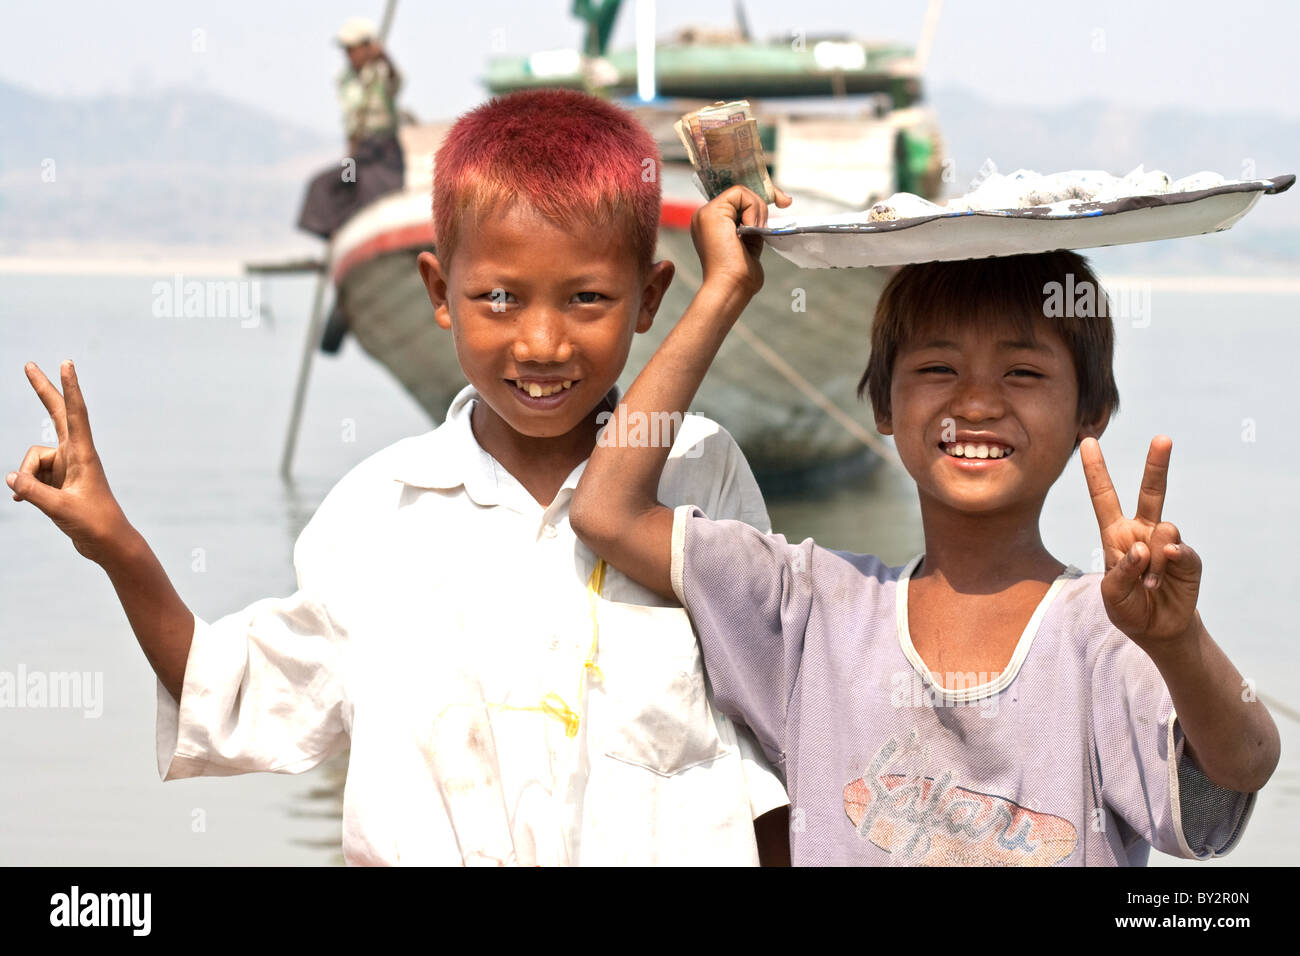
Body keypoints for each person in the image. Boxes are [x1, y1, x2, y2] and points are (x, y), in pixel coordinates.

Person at [5, 90, 792, 866]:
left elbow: (771, 739)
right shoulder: (379, 515)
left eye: (588, 298)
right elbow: (238, 696)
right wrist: (117, 545)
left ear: (649, 299)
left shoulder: (698, 469)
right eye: (499, 299)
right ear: (438, 294)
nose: (543, 342)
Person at [570, 184, 1281, 865]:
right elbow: (608, 510)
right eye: (938, 368)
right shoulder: (813, 609)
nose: (975, 403)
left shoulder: (1107, 633)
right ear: (883, 405)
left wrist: (1179, 641)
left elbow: (1241, 770)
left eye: (1023, 374)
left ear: (1088, 416)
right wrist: (724, 288)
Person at [296, 17, 405, 240]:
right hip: (359, 152)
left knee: (373, 197)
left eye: (352, 49)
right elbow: (351, 123)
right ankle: (338, 239)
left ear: (367, 47)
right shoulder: (345, 79)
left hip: (383, 154)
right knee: (331, 186)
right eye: (346, 50)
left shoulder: (381, 72)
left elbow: (395, 82)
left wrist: (384, 58)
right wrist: (351, 153)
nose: (348, 54)